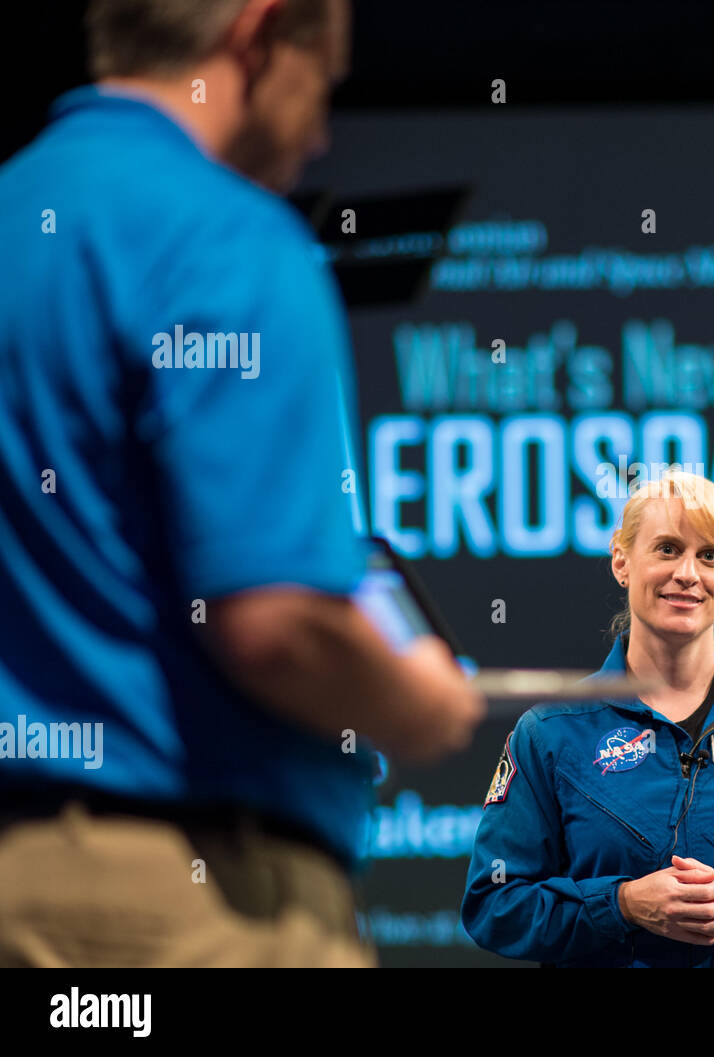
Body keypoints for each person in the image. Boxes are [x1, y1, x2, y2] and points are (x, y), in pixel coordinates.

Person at [0, 0, 483, 967]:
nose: (322, 132)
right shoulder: (227, 237)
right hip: (185, 903)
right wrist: (417, 704)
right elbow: (277, 627)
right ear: (258, 38)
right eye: (324, 81)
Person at [462, 471, 714, 967]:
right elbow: (494, 903)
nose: (688, 573)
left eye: (710, 556)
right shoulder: (552, 730)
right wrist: (621, 905)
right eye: (666, 549)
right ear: (621, 560)